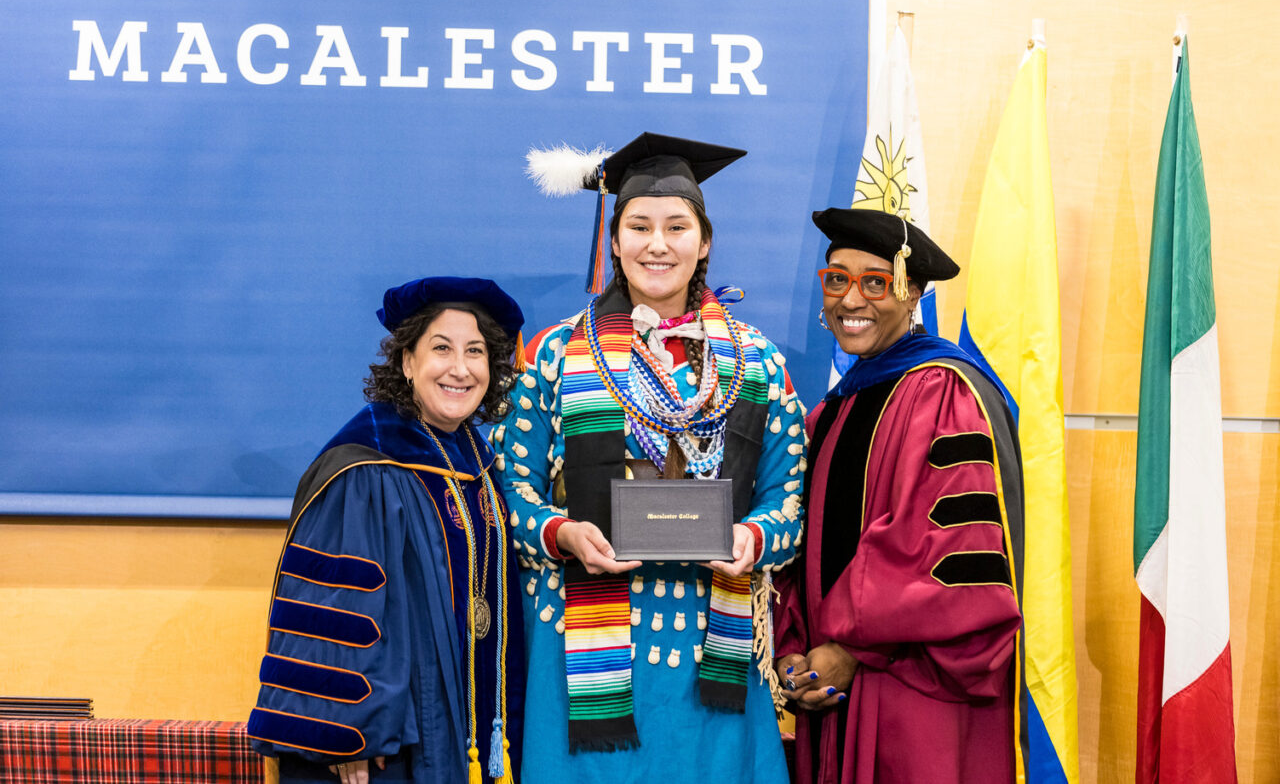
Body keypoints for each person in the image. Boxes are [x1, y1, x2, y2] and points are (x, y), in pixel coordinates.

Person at [494, 133, 805, 783]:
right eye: (638, 226)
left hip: (708, 651)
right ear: (614, 241)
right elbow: (507, 490)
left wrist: (751, 537)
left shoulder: (757, 363)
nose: (656, 244)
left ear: (705, 240)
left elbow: (790, 500)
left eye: (676, 226)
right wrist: (562, 531)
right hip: (582, 649)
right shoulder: (555, 356)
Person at [773, 206, 1027, 784]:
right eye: (837, 278)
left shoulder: (942, 390)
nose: (851, 300)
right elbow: (800, 543)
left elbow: (942, 549)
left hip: (912, 686)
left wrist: (850, 649)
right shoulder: (831, 411)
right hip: (828, 687)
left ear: (912, 292)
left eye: (875, 282)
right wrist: (793, 649)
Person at [247, 276, 527, 784]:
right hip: (391, 747)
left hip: (471, 729)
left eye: (476, 352)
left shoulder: (479, 468)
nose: (460, 369)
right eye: (441, 349)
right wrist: (341, 732)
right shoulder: (365, 471)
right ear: (407, 362)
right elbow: (333, 611)